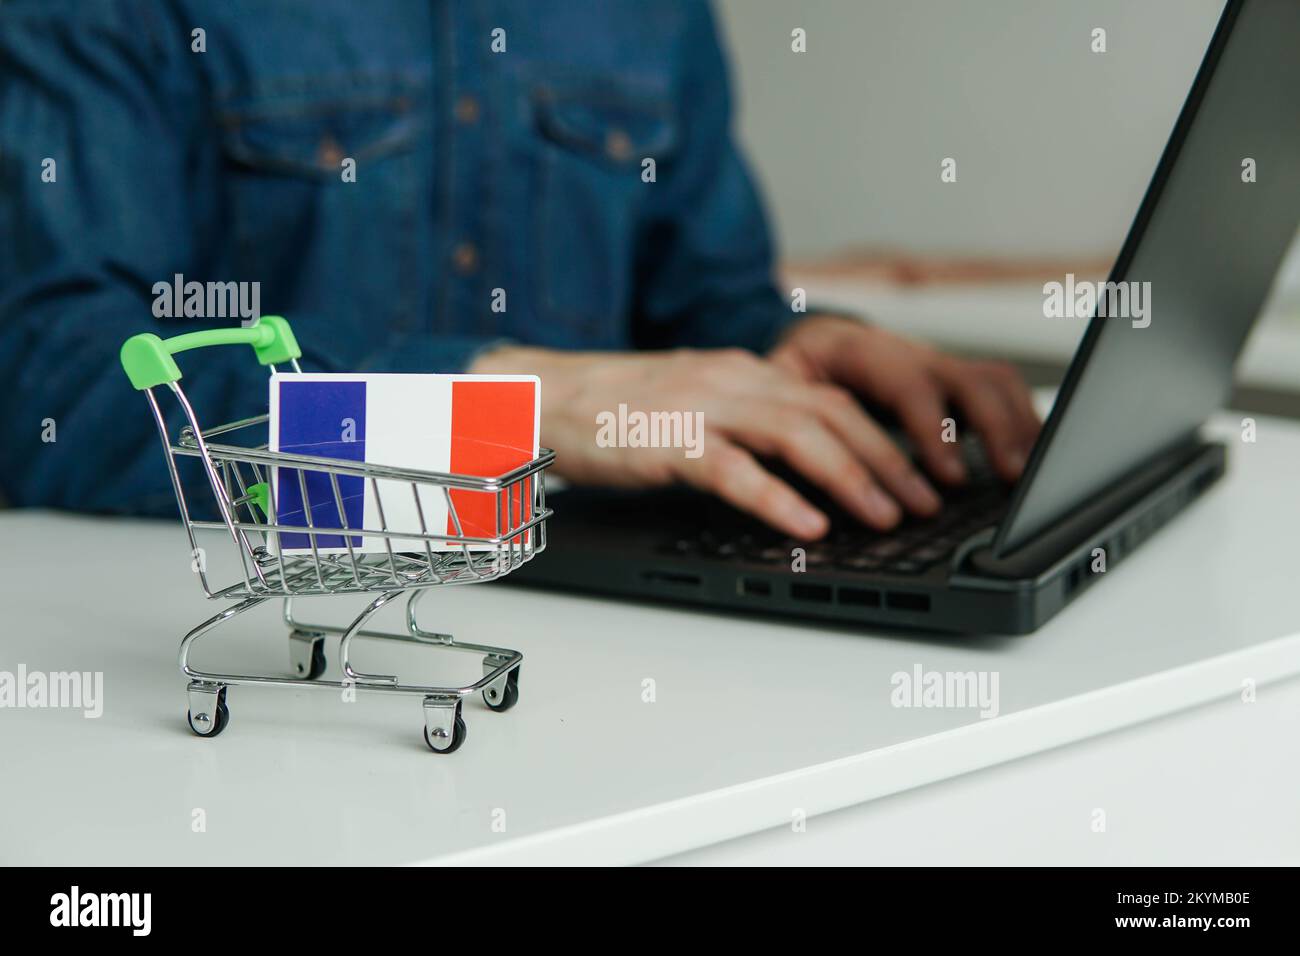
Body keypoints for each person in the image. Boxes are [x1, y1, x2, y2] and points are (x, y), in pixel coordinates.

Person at [0, 0, 1039, 539]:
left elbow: (702, 295)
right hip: (278, 630)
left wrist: (801, 346)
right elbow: (52, 390)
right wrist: (499, 406)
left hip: (619, 621)